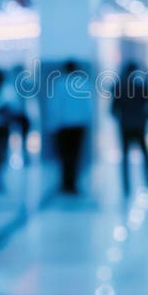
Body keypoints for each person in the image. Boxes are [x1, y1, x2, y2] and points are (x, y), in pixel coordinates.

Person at [112, 62, 148, 198]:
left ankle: (126, 186)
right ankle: (147, 180)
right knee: (144, 153)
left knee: (125, 155)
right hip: (139, 124)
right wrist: (146, 114)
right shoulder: (140, 86)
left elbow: (113, 108)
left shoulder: (120, 87)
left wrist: (120, 116)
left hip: (125, 124)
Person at [50, 61, 91, 195]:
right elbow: (88, 106)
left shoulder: (60, 84)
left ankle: (66, 183)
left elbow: (55, 106)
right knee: (75, 156)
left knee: (64, 156)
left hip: (64, 126)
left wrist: (53, 125)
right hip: (79, 126)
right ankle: (72, 183)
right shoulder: (83, 83)